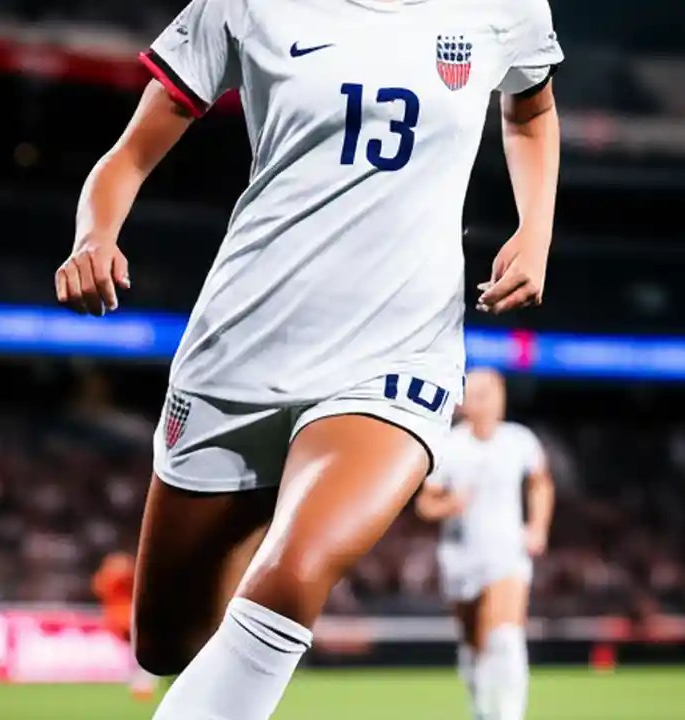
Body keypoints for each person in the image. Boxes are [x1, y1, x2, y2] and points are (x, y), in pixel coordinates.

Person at [55, 0, 563, 717]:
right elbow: (130, 153)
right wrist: (94, 235)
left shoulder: (501, 8)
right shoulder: (242, 4)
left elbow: (532, 112)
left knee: (293, 574)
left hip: (398, 354)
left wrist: (535, 229)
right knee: (167, 644)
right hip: (239, 349)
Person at [416, 368, 555, 720]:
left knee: (506, 637)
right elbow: (425, 504)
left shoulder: (519, 440)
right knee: (473, 645)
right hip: (460, 559)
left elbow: (541, 483)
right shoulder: (449, 446)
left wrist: (537, 527)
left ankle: (508, 716)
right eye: (480, 394)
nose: (490, 401)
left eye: (494, 392)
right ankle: (480, 709)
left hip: (507, 553)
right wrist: (451, 504)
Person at [92, 551, 158, 700]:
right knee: (137, 651)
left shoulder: (107, 578)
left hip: (121, 618)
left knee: (136, 651)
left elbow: (98, 588)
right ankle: (143, 681)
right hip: (126, 617)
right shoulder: (126, 576)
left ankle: (142, 681)